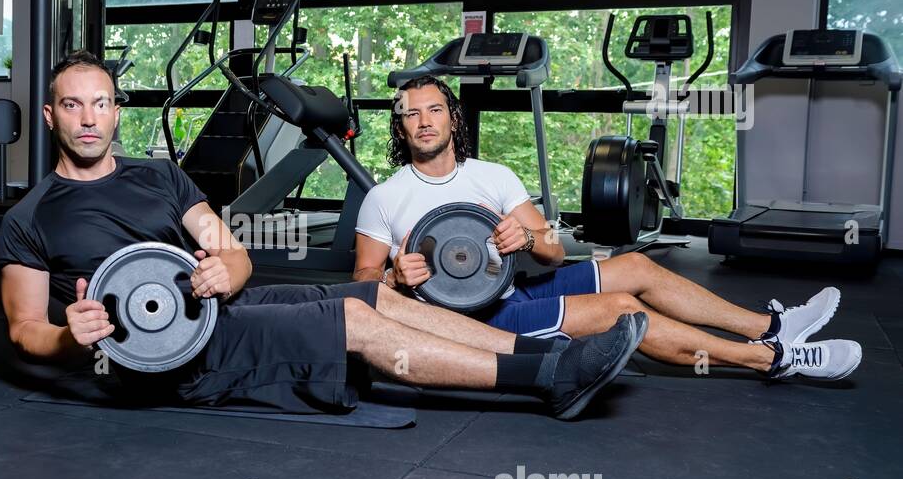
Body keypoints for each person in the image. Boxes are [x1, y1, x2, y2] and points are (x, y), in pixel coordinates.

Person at [0, 51, 646, 420]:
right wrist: (65, 334)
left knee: (374, 299)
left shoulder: (161, 178)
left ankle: (540, 353)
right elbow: (25, 329)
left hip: (222, 311)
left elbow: (232, 250)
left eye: (101, 102)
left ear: (116, 109)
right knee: (350, 324)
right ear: (50, 113)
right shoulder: (30, 216)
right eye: (73, 105)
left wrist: (229, 272)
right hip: (163, 359)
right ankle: (551, 375)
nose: (89, 118)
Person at [353, 75, 861, 381]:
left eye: (434, 110)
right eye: (411, 114)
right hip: (473, 322)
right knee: (620, 308)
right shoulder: (385, 197)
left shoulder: (493, 176)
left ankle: (772, 327)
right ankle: (769, 360)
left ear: (452, 120)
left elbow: (552, 251)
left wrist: (527, 238)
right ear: (400, 126)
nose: (424, 121)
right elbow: (363, 285)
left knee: (635, 266)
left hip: (518, 287)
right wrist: (396, 278)